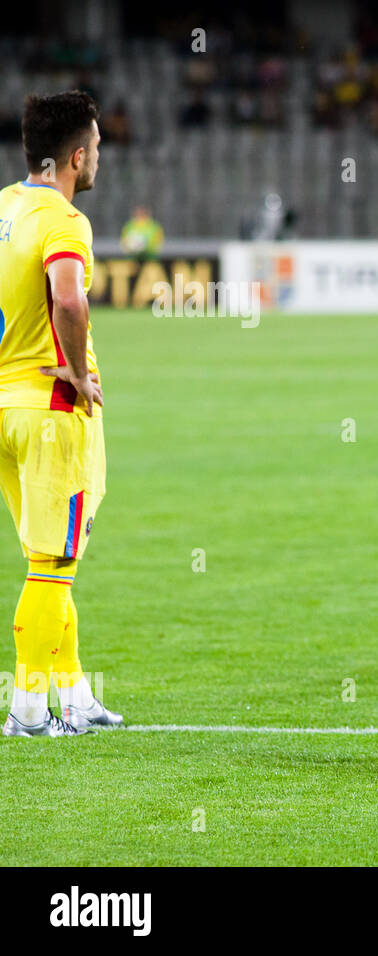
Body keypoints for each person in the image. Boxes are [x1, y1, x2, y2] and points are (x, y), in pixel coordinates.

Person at [0, 90, 123, 736]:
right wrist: (76, 372)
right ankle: (25, 709)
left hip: (4, 406)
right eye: (97, 148)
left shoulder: (3, 208)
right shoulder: (63, 221)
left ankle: (72, 692)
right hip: (50, 408)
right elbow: (69, 302)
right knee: (53, 565)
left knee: (46, 558)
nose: (99, 157)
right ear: (76, 156)